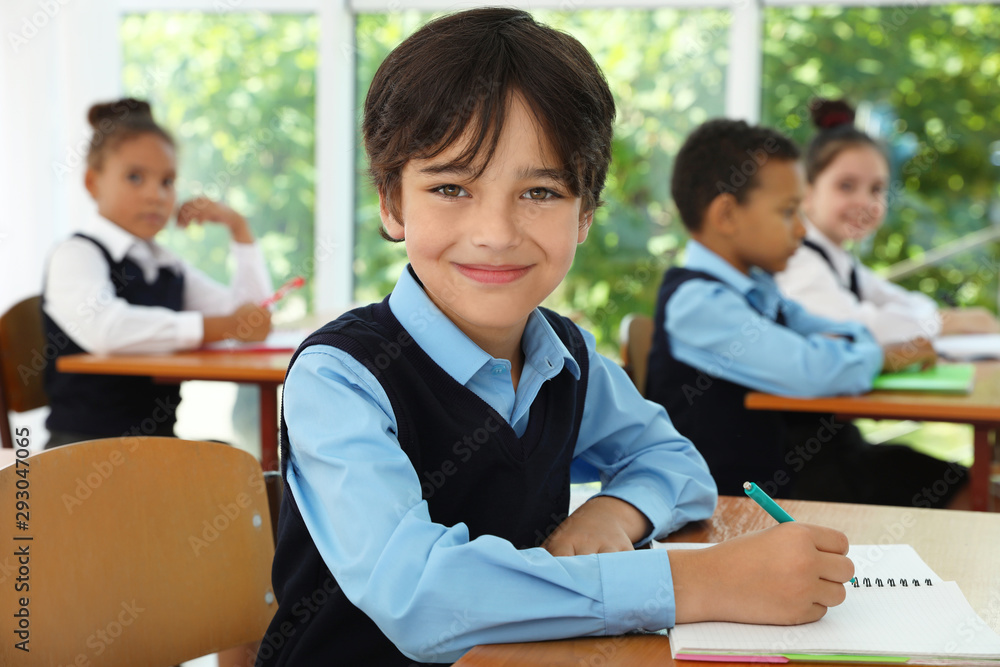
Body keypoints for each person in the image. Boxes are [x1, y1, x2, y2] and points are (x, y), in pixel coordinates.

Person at [258, 9, 856, 667]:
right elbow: (422, 598)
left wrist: (615, 512)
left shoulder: (563, 357)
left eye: (539, 191)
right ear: (393, 204)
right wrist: (699, 582)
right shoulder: (340, 377)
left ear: (586, 214)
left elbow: (676, 462)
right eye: (451, 186)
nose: (495, 231)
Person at [645, 118, 970, 509]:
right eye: (788, 213)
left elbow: (842, 332)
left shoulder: (760, 288)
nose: (801, 230)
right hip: (738, 503)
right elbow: (812, 370)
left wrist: (848, 349)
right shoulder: (698, 304)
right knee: (958, 488)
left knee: (958, 480)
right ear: (727, 215)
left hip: (799, 471)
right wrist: (878, 355)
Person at [42, 98, 273, 449]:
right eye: (135, 177)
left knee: (240, 465)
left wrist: (238, 229)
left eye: (167, 181)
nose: (155, 195)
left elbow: (248, 322)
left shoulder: (165, 264)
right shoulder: (76, 255)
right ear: (92, 182)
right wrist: (221, 327)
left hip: (154, 446)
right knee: (237, 470)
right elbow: (109, 329)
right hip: (83, 450)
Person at [776, 98, 1000, 344]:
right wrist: (951, 322)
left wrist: (934, 319)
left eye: (876, 189)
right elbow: (854, 327)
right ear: (806, 194)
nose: (865, 202)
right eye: (846, 186)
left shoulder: (840, 260)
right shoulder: (796, 260)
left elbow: (904, 300)